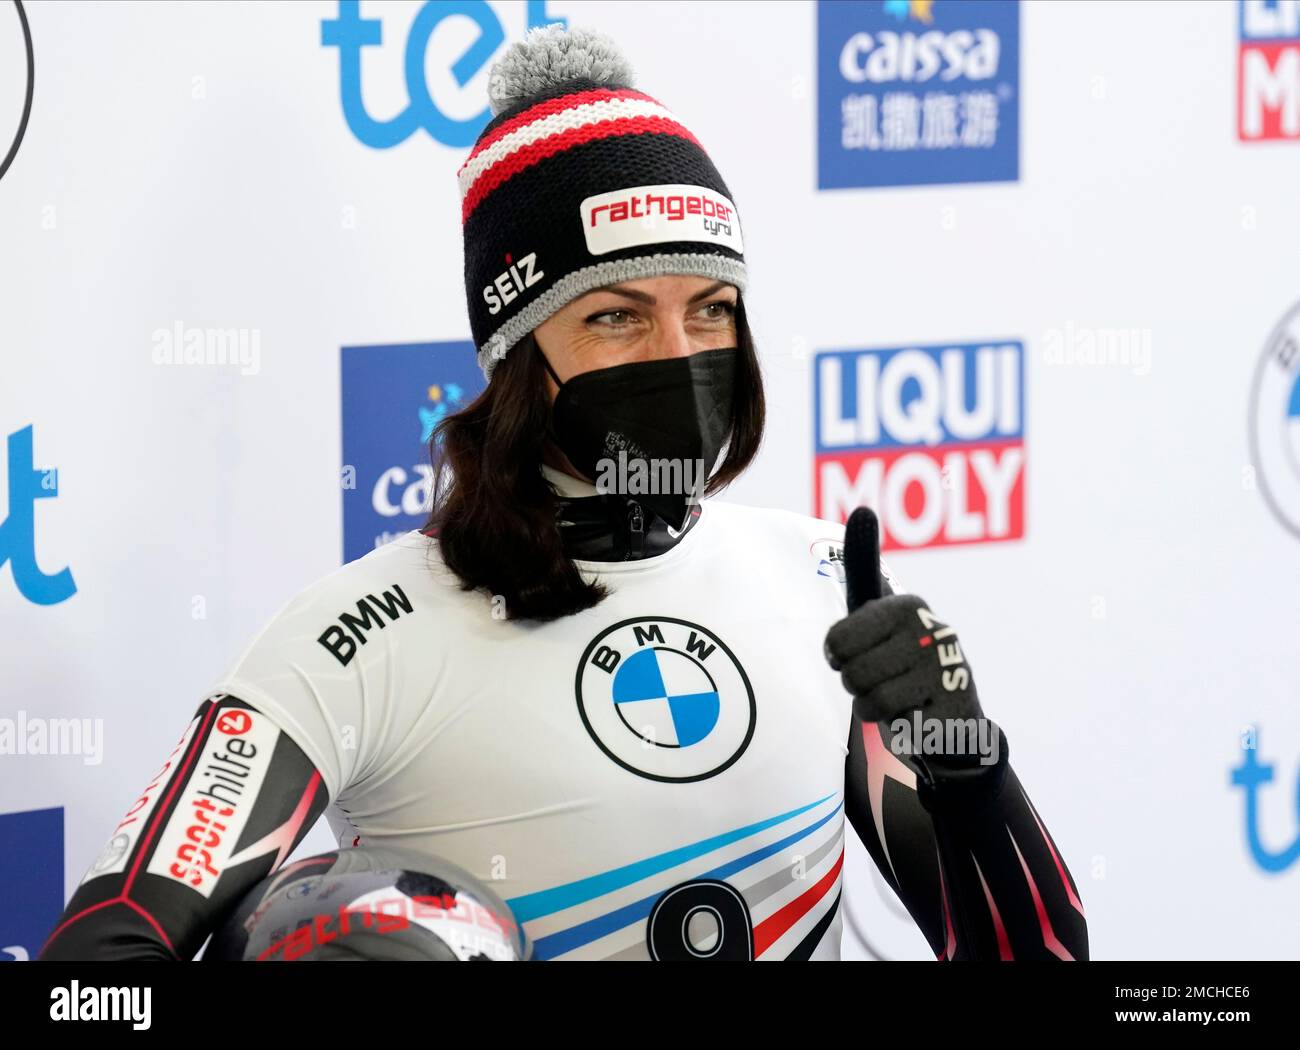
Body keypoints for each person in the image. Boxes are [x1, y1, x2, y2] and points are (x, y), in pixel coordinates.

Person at [39, 24, 1087, 962]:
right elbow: (107, 950)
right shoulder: (360, 633)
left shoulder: (819, 583)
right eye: (618, 317)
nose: (679, 356)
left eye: (711, 309)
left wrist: (965, 764)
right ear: (516, 350)